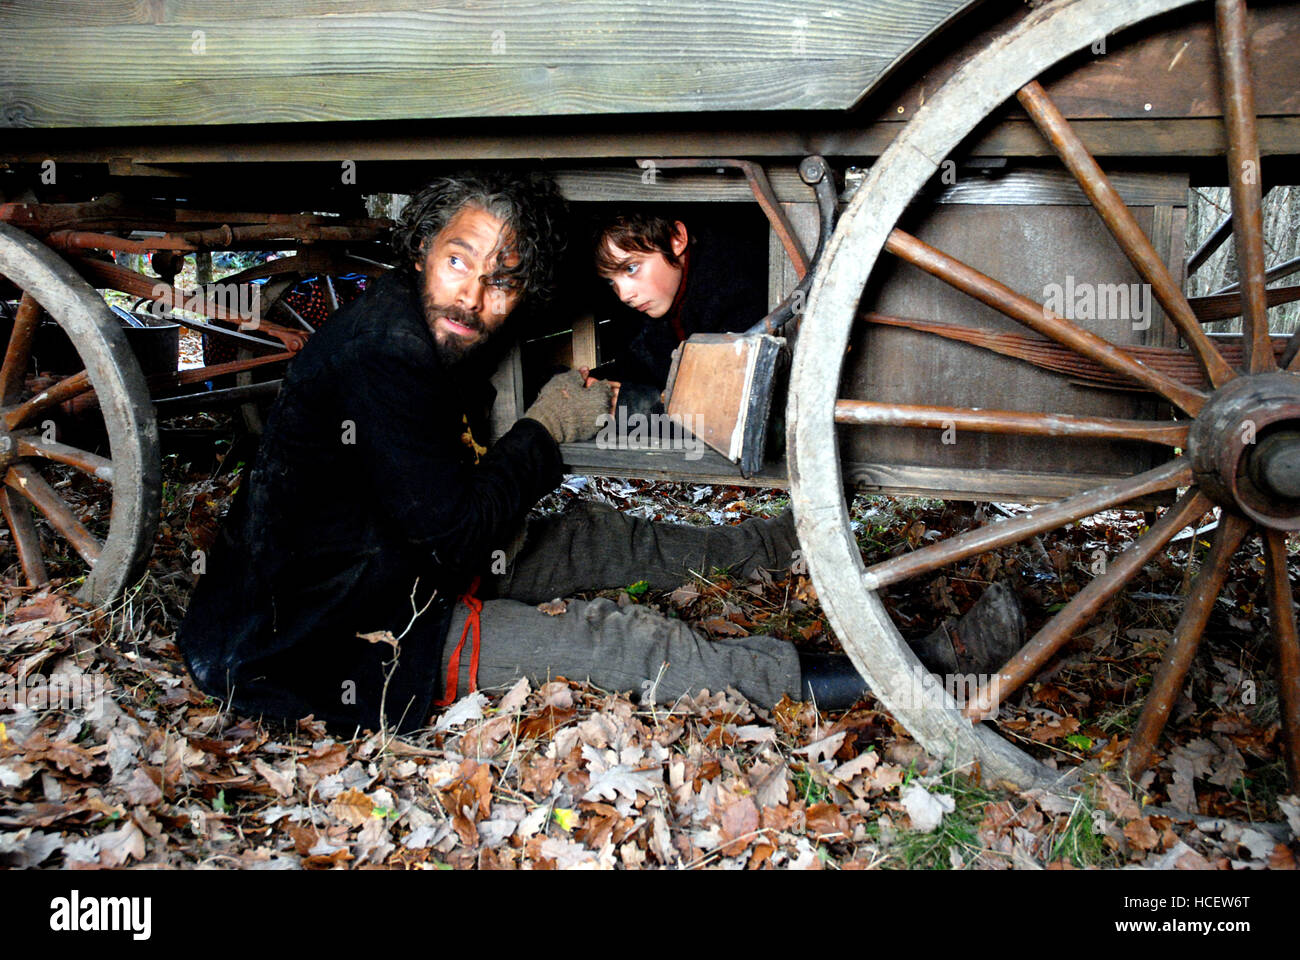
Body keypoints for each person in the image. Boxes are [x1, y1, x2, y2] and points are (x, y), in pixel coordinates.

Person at [177, 171, 1020, 736]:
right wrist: (546, 429)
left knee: (604, 539)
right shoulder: (386, 346)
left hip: (401, 563)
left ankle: (812, 549)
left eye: (503, 278)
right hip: (343, 640)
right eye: (461, 260)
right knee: (627, 647)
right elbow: (455, 534)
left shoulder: (426, 330)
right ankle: (915, 675)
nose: (476, 292)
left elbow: (445, 507)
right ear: (424, 249)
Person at [590, 213, 768, 415]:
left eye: (631, 268)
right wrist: (593, 383)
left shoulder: (737, 289)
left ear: (677, 239)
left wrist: (637, 407)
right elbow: (638, 369)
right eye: (611, 281)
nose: (624, 295)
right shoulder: (652, 305)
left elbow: (729, 411)